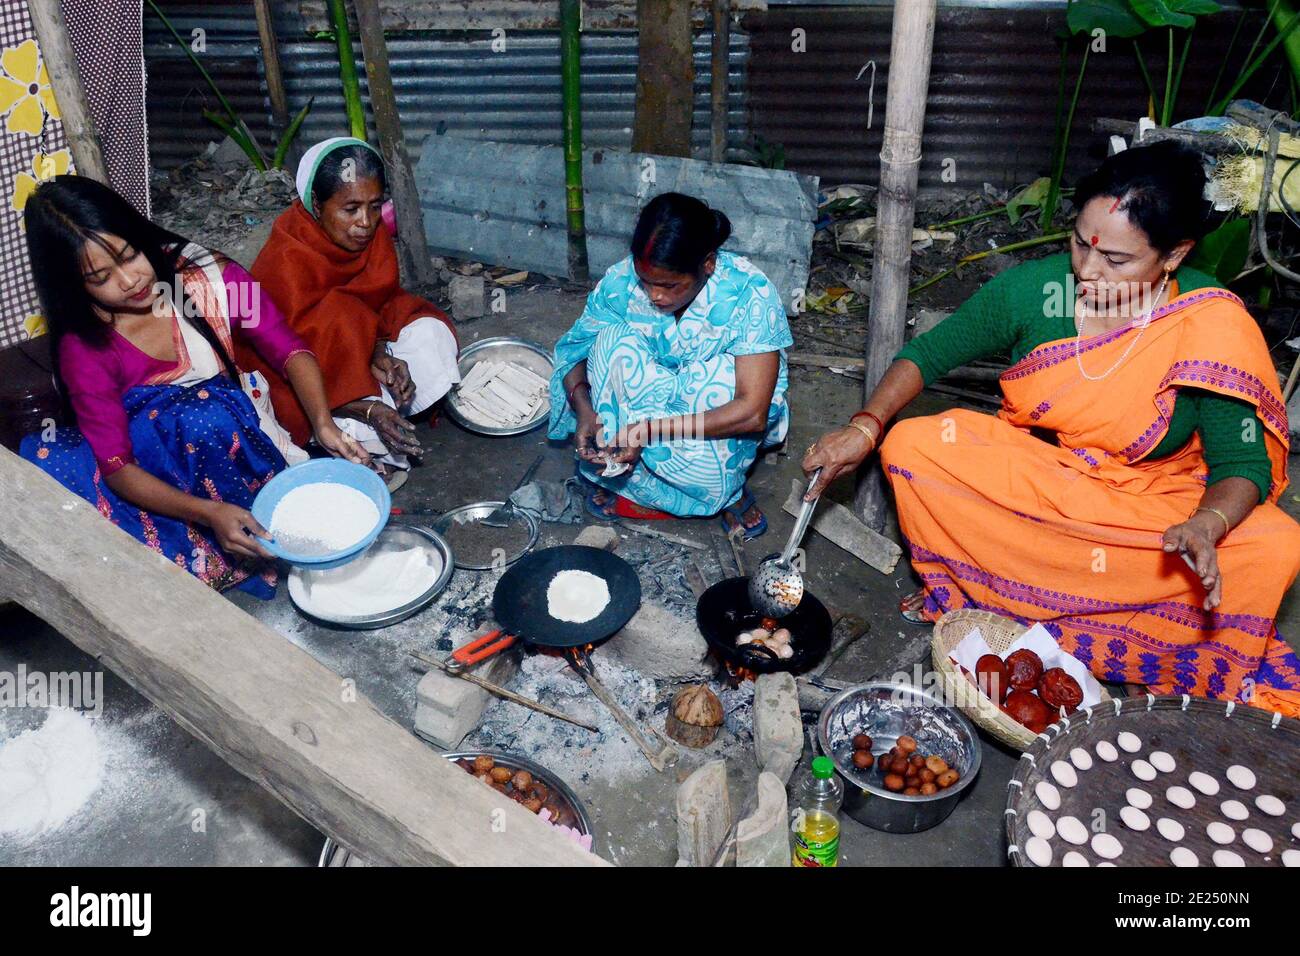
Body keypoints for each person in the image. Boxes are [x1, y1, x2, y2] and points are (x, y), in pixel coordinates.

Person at [802, 141, 1300, 716]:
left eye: (1116, 260)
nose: (1086, 271)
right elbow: (929, 354)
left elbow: (1242, 467)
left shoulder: (1207, 323)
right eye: (1079, 244)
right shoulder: (1038, 291)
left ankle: (1112, 626)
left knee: (1273, 543)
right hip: (1047, 485)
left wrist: (1206, 525)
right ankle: (988, 588)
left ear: (1174, 254)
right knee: (916, 445)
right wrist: (864, 428)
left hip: (1153, 511)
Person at [20, 175, 367, 598]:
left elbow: (289, 350)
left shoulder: (208, 279)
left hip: (221, 437)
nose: (130, 281)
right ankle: (207, 540)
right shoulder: (85, 346)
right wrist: (208, 513)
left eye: (130, 255)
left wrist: (322, 423)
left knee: (211, 414)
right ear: (75, 285)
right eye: (101, 277)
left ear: (140, 234)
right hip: (149, 464)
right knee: (201, 415)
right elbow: (117, 468)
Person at [549, 192, 792, 537]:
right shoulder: (621, 283)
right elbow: (575, 353)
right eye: (645, 281)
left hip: (710, 412)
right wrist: (584, 407)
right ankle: (635, 484)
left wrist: (646, 430)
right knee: (609, 341)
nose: (654, 296)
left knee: (717, 384)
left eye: (670, 285)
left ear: (707, 264)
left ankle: (724, 490)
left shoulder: (750, 294)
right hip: (651, 401)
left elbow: (751, 410)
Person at [240, 137, 460, 484]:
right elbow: (287, 357)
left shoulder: (370, 236)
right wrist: (366, 408)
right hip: (299, 380)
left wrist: (379, 352)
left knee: (428, 330)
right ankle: (362, 430)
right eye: (351, 208)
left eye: (375, 206)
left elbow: (376, 304)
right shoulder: (286, 260)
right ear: (316, 203)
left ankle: (392, 410)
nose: (366, 223)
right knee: (341, 322)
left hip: (352, 350)